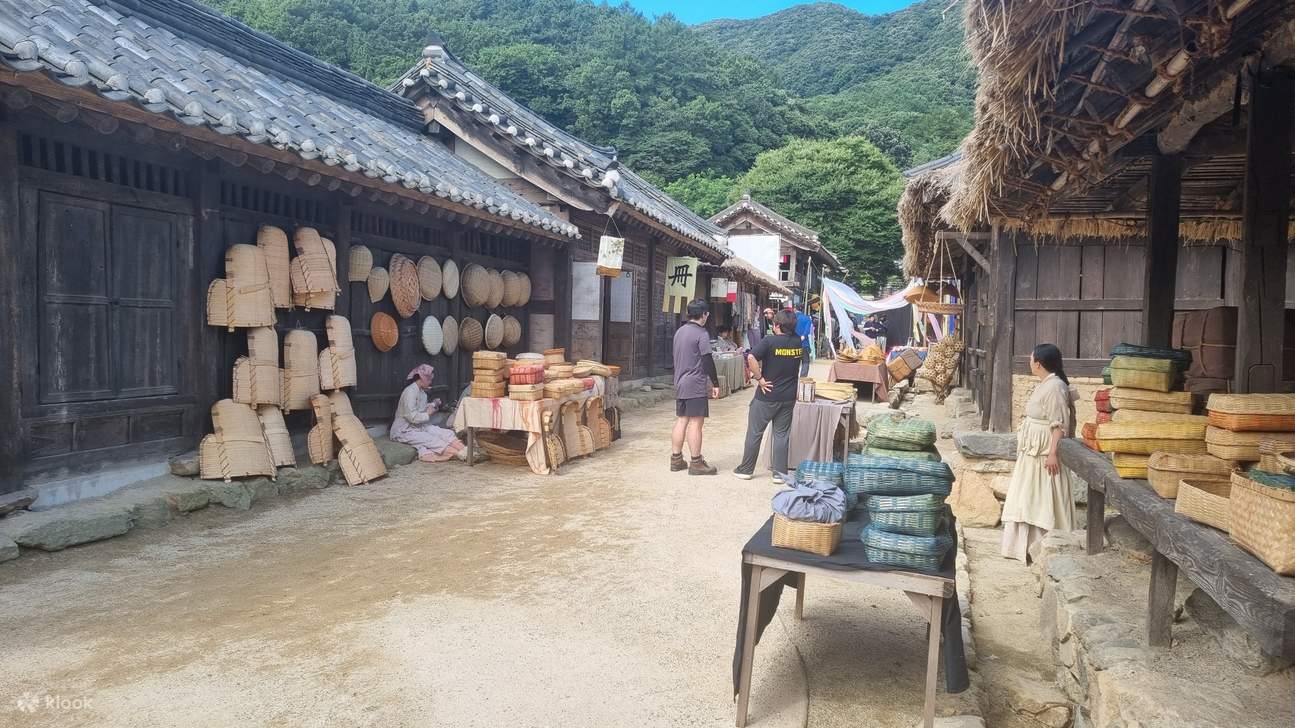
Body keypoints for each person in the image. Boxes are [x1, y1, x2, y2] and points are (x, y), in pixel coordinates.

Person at [1000, 344, 1077, 562]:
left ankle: (1047, 544)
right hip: (1032, 452)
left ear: (1038, 364)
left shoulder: (1055, 387)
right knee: (1029, 496)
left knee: (1044, 497)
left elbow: (1059, 424)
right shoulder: (1046, 384)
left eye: (1031, 359)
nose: (1029, 362)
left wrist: (1053, 453)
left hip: (1044, 453)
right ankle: (1025, 546)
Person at [733, 309, 806, 483]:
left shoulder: (769, 341)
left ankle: (746, 469)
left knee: (755, 432)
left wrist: (759, 379)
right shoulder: (797, 342)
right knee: (781, 435)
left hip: (767, 395)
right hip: (788, 397)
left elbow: (750, 357)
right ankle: (779, 474)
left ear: (777, 325)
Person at [671, 299, 720, 475]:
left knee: (682, 419)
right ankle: (696, 462)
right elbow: (707, 359)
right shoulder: (702, 334)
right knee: (696, 423)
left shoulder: (680, 331)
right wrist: (715, 383)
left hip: (680, 382)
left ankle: (676, 460)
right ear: (704, 315)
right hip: (695, 383)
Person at [390, 364, 466, 462]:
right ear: (422, 378)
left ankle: (466, 450)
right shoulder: (410, 392)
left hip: (418, 426)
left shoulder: (421, 392)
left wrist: (433, 404)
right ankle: (461, 455)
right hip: (404, 429)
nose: (431, 382)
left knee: (444, 433)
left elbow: (420, 408)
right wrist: (428, 414)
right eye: (429, 380)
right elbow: (411, 417)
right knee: (431, 439)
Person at [793, 306, 814, 376]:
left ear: (795, 309)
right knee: (805, 362)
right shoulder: (807, 318)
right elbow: (807, 330)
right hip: (804, 343)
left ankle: (793, 376)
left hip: (793, 343)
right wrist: (804, 336)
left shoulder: (792, 318)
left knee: (794, 361)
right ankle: (803, 378)